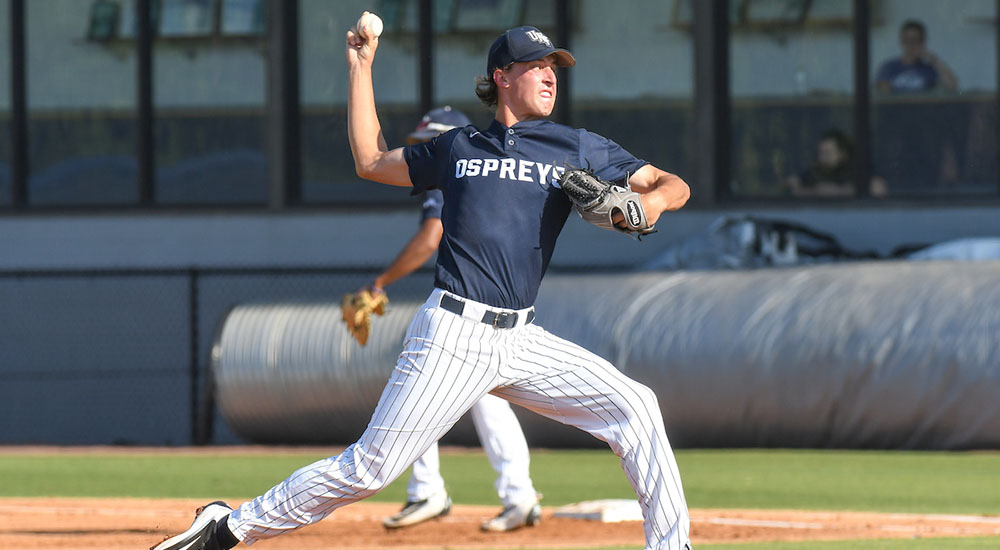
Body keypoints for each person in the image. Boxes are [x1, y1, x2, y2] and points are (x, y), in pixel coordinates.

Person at [150, 20, 693, 550]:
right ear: (502, 76)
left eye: (555, 67)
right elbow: (369, 161)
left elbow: (674, 184)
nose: (551, 76)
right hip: (453, 333)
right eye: (536, 66)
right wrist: (361, 67)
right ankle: (231, 525)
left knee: (637, 407)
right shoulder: (457, 147)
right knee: (369, 469)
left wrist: (650, 203)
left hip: (522, 339)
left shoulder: (575, 145)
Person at [374, 105, 542, 532]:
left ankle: (427, 489)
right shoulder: (493, 165)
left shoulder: (452, 165)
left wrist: (379, 282)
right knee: (488, 400)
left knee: (417, 383)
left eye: (430, 137)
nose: (423, 146)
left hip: (461, 311)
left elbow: (430, 238)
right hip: (501, 312)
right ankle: (519, 494)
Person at [786, 129, 887, 198]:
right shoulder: (813, 173)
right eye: (820, 153)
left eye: (827, 153)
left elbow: (878, 188)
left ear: (842, 154)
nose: (822, 158)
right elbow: (793, 188)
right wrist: (816, 191)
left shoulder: (856, 170)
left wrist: (838, 192)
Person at [875, 19, 957, 94]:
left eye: (915, 40)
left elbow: (952, 85)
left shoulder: (929, 68)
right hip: (897, 109)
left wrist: (933, 60)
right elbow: (883, 94)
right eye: (906, 40)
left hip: (922, 108)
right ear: (901, 41)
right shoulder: (889, 67)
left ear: (922, 42)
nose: (910, 45)